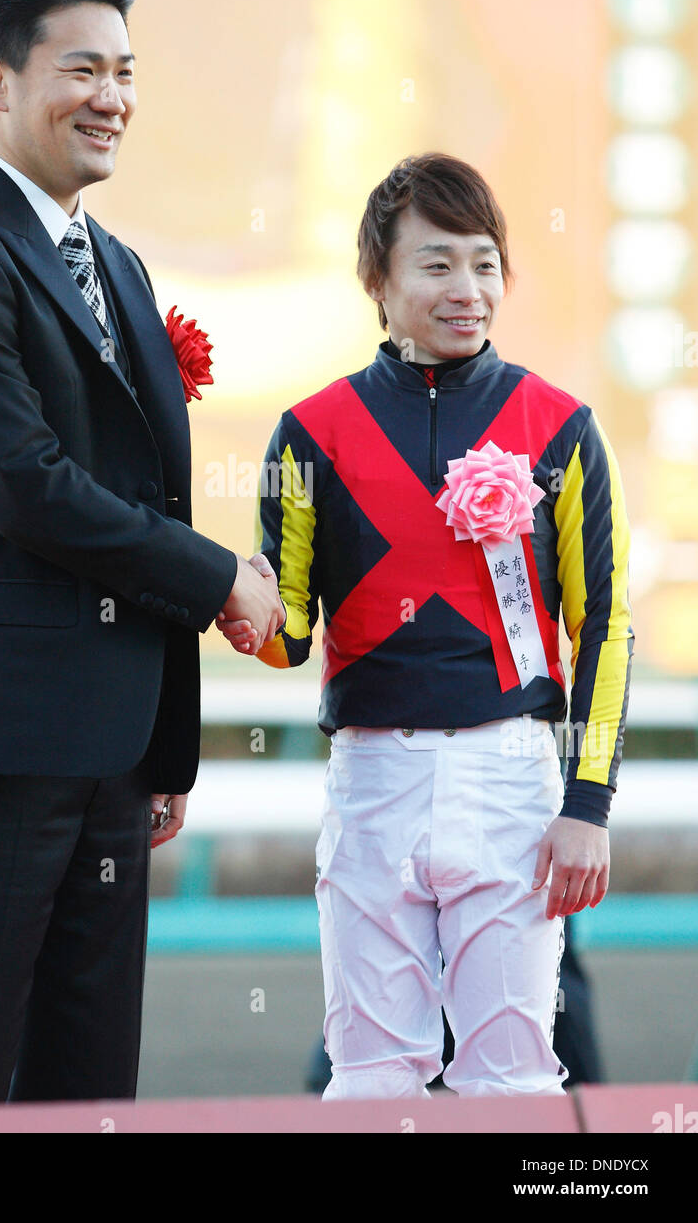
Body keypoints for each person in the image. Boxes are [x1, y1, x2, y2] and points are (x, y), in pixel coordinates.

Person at [0, 0, 282, 1108]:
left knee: (84, 1086)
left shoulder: (121, 267)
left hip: (107, 749)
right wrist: (217, 578)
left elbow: (136, 490)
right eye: (82, 68)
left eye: (127, 72)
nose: (114, 98)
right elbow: (24, 484)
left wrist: (159, 739)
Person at [217, 153, 633, 1097]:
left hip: (512, 784)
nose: (467, 289)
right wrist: (219, 590)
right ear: (378, 279)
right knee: (369, 1076)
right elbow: (285, 638)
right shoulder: (308, 431)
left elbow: (603, 624)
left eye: (485, 263)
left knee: (514, 1079)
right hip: (373, 779)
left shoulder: (559, 424)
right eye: (436, 264)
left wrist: (587, 803)